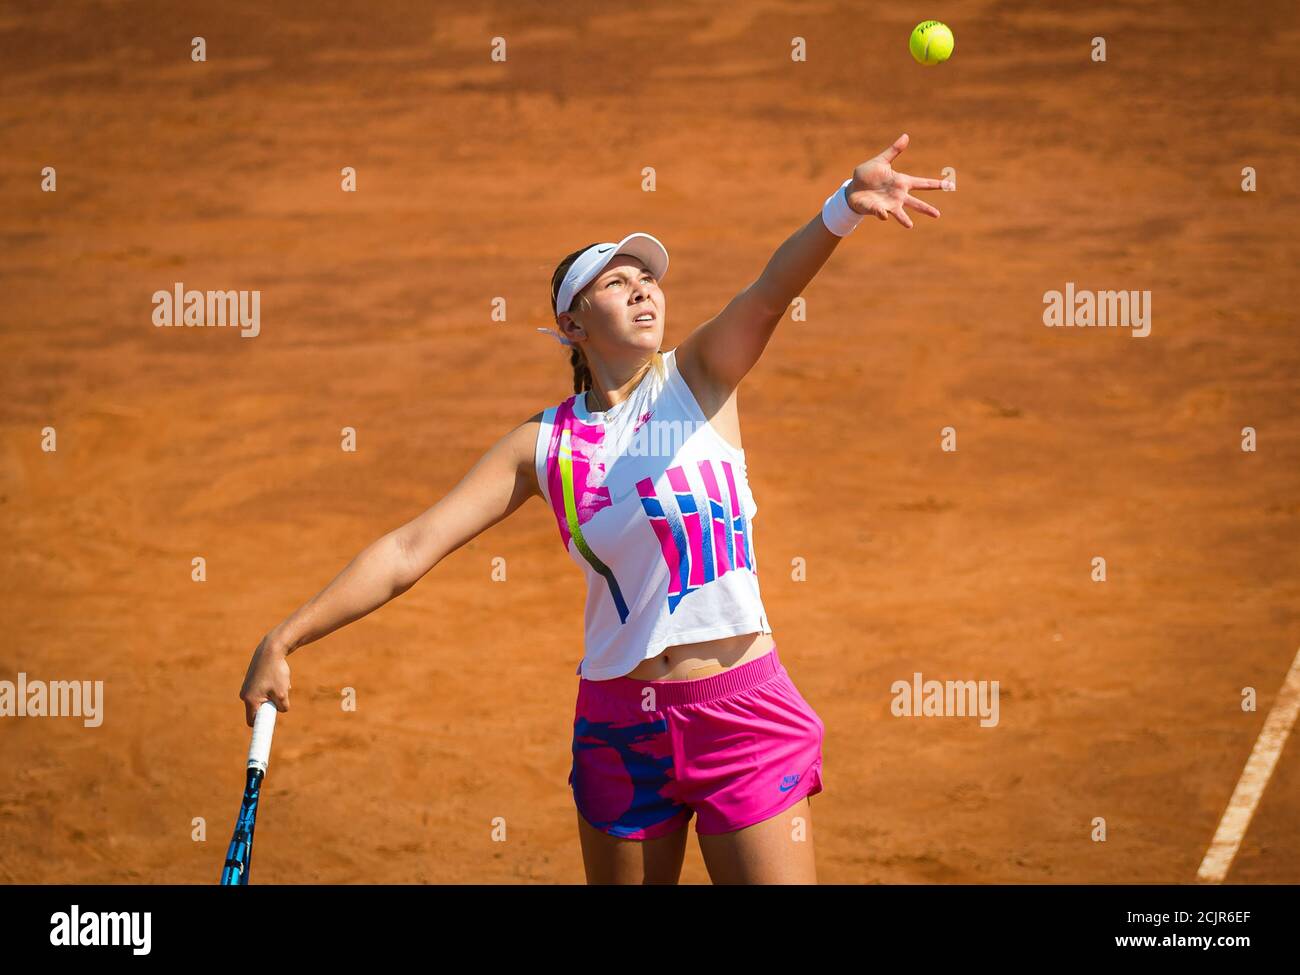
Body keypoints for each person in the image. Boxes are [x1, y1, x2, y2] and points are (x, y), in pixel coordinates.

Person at [239, 133, 947, 884]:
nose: (642, 288)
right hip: (620, 729)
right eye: (616, 283)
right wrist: (284, 637)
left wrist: (842, 206)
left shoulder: (700, 377)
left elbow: (770, 293)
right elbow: (412, 547)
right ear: (571, 327)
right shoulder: (541, 443)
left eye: (648, 277)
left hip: (740, 710)